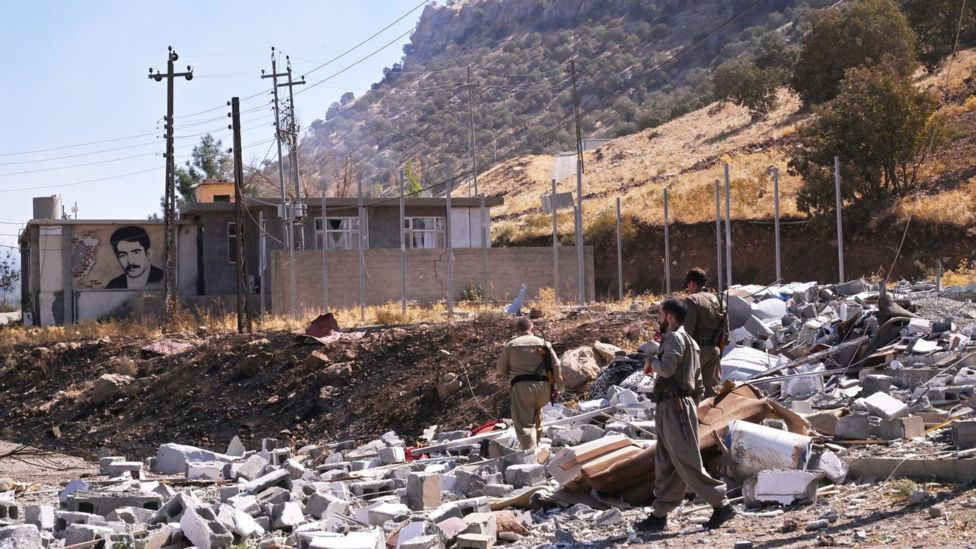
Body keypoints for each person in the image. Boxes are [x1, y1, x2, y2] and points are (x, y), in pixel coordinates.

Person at [634, 298, 735, 533]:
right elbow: (699, 385)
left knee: (687, 461)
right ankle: (660, 514)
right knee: (666, 462)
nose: (658, 318)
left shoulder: (675, 339)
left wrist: (651, 361)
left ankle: (722, 504)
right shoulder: (691, 341)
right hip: (675, 406)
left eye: (660, 313)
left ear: (669, 317)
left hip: (674, 407)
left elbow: (667, 369)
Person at [496, 318, 562, 450]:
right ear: (533, 329)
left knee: (524, 425)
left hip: (522, 388)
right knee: (537, 415)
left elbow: (501, 370)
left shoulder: (511, 345)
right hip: (544, 389)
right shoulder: (544, 343)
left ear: (517, 330)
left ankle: (531, 456)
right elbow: (556, 365)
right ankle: (536, 447)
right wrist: (558, 388)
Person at [683, 267, 726, 398]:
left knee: (689, 390)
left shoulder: (692, 300)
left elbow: (688, 331)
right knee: (711, 392)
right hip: (715, 350)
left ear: (692, 283)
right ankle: (711, 417)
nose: (688, 289)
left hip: (697, 351)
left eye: (688, 286)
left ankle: (693, 417)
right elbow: (726, 331)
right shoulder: (720, 301)